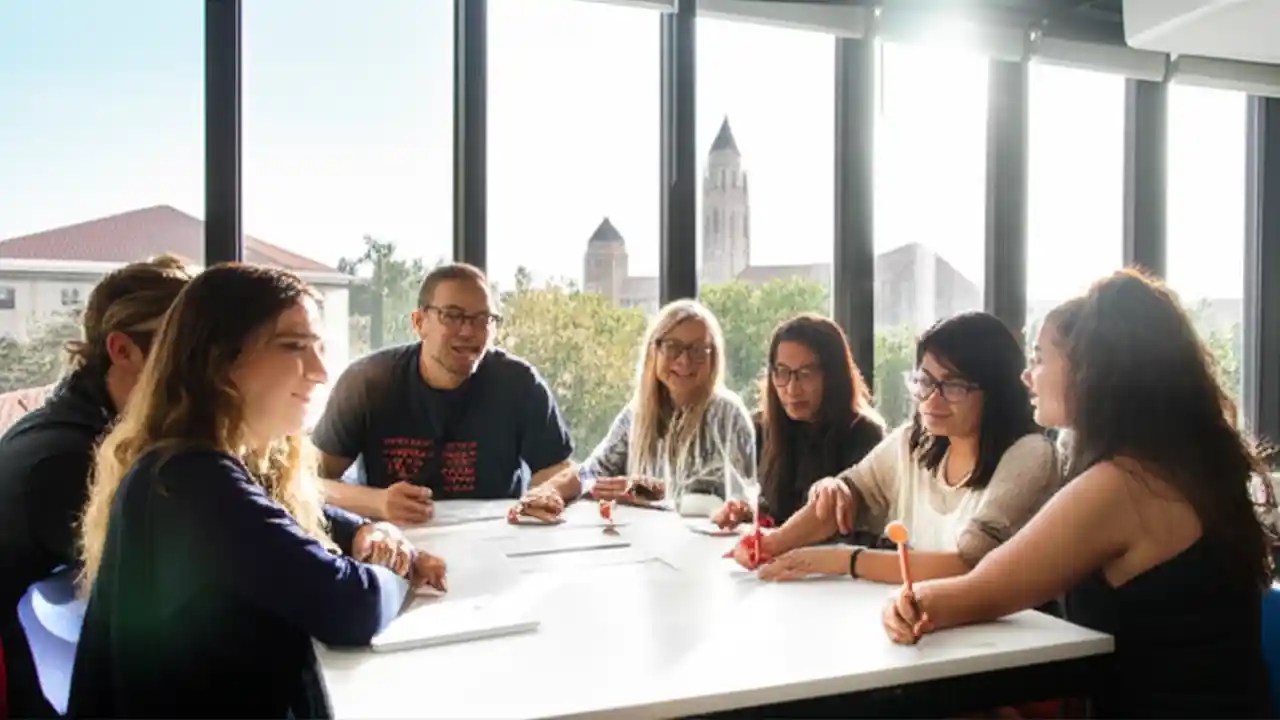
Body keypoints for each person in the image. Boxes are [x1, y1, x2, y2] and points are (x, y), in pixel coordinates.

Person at [883, 270, 1271, 717]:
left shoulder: (1120, 486)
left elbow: (976, 592)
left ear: (1092, 372)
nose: (1027, 376)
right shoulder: (1189, 470)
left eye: (1040, 358)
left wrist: (908, 603)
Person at [69, 264, 446, 718]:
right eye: (293, 347)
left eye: (319, 348)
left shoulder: (188, 465)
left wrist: (367, 531)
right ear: (217, 361)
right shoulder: (191, 482)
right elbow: (353, 607)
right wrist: (399, 567)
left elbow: (285, 520)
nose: (321, 372)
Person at [0, 255, 191, 717]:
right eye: (187, 353)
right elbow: (189, 572)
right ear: (123, 350)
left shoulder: (109, 427)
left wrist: (352, 531)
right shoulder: (64, 462)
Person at [736, 311, 1058, 585]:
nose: (932, 398)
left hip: (1010, 640)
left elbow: (971, 564)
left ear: (996, 392)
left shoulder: (1029, 454)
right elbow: (844, 499)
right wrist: (769, 545)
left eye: (954, 386)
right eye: (925, 381)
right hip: (927, 623)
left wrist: (844, 561)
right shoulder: (916, 442)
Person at [313, 263, 574, 525]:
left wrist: (546, 492)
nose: (468, 331)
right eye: (452, 315)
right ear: (419, 322)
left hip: (494, 539)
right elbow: (306, 480)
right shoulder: (368, 382)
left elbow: (562, 470)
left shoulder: (518, 383)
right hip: (394, 543)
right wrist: (377, 502)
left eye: (482, 319)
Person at [533, 300, 755, 520]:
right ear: (653, 351)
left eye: (698, 350)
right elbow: (592, 472)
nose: (684, 360)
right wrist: (550, 491)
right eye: (672, 347)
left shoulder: (728, 414)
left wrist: (650, 493)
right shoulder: (636, 413)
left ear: (713, 357)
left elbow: (738, 502)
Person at [712, 314, 885, 529]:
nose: (792, 389)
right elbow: (762, 506)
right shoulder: (760, 427)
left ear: (832, 376)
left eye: (806, 374)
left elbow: (849, 525)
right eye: (782, 372)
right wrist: (745, 512)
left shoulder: (863, 434)